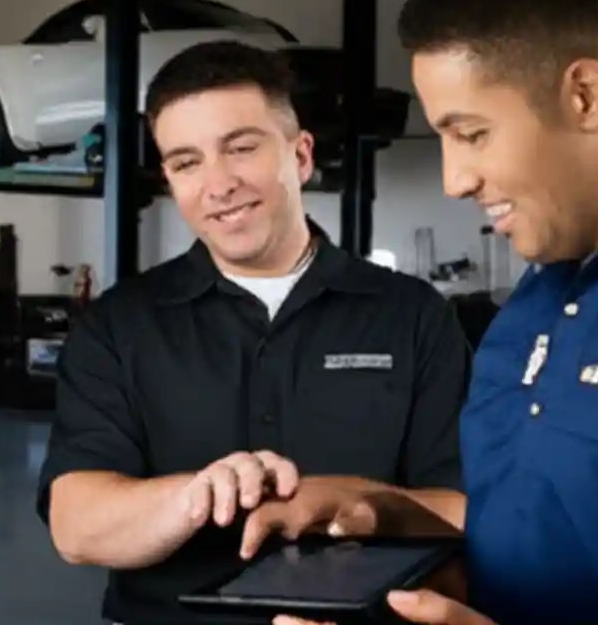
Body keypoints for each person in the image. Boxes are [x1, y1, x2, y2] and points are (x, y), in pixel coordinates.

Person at [252, 0, 598, 625]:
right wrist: (384, 519)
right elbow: (529, 551)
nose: (455, 179)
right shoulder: (528, 313)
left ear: (585, 95)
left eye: (472, 132)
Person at [35, 40, 470, 624]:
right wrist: (197, 495)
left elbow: (460, 507)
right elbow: (75, 527)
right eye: (187, 163)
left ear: (302, 155)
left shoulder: (413, 315)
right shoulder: (120, 326)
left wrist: (357, 503)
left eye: (240, 148)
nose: (218, 184)